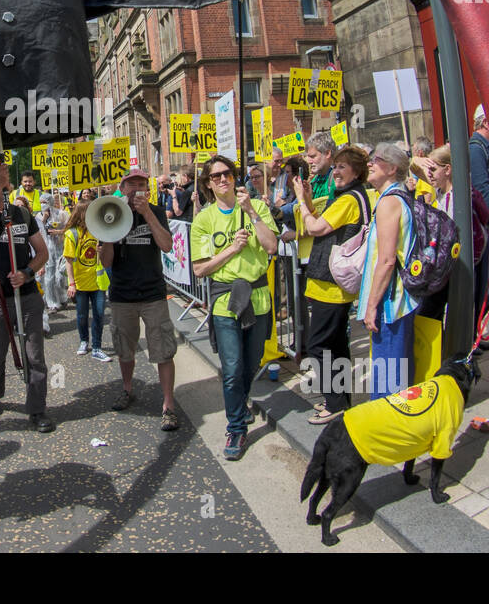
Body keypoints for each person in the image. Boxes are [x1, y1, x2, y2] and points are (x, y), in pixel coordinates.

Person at [190, 155, 280, 460]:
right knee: (232, 369)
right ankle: (236, 428)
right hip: (226, 303)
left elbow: (271, 246)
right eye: (215, 176)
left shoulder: (258, 208)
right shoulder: (204, 219)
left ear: (235, 177)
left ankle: (240, 406)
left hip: (258, 300)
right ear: (208, 184)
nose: (222, 179)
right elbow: (200, 269)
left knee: (251, 365)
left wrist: (252, 212)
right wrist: (232, 248)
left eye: (227, 173)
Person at [0, 160, 54, 432]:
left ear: (8, 183)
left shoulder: (21, 215)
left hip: (26, 295)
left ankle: (37, 408)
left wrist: (27, 273)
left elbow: (43, 253)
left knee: (35, 355)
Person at [295, 146, 371, 423]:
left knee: (319, 344)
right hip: (330, 284)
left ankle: (335, 402)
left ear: (356, 170)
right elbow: (325, 223)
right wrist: (307, 199)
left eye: (342, 167)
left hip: (333, 285)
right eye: (335, 167)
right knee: (336, 344)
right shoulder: (347, 196)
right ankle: (337, 399)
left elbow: (315, 228)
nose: (336, 172)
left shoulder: (350, 198)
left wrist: (301, 203)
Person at [101, 168, 179, 430]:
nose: (136, 188)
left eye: (141, 184)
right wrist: (108, 236)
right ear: (122, 189)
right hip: (122, 293)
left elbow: (167, 245)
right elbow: (106, 261)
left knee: (163, 350)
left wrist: (147, 214)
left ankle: (168, 404)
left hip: (152, 293)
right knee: (125, 348)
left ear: (148, 189)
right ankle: (127, 389)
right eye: (131, 184)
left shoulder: (155, 212)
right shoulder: (112, 214)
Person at [358, 142, 418, 398]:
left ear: (392, 168)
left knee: (387, 382)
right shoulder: (394, 197)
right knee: (395, 374)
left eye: (376, 159)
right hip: (396, 299)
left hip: (390, 303)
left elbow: (386, 260)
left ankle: (386, 433)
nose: (370, 163)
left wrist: (371, 305)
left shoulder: (389, 202)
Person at [468, 104, 489, 343]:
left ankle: (476, 336)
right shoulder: (477, 149)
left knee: (484, 289)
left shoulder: (487, 148)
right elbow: (482, 187)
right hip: (485, 227)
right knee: (480, 287)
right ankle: (471, 338)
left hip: (488, 224)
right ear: (485, 122)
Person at [63, 202, 109, 360]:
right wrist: (71, 283)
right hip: (80, 283)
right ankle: (84, 340)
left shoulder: (99, 232)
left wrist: (102, 251)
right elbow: (68, 261)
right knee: (82, 316)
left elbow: (107, 258)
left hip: (98, 282)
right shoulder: (72, 234)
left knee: (99, 315)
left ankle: (97, 346)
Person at [39, 192, 69, 326]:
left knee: (60, 276)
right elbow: (37, 230)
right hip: (47, 250)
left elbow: (69, 228)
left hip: (60, 248)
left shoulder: (61, 214)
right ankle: (52, 303)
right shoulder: (38, 216)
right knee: (49, 278)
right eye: (41, 202)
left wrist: (59, 232)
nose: (43, 205)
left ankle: (62, 296)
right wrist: (44, 218)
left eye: (45, 202)